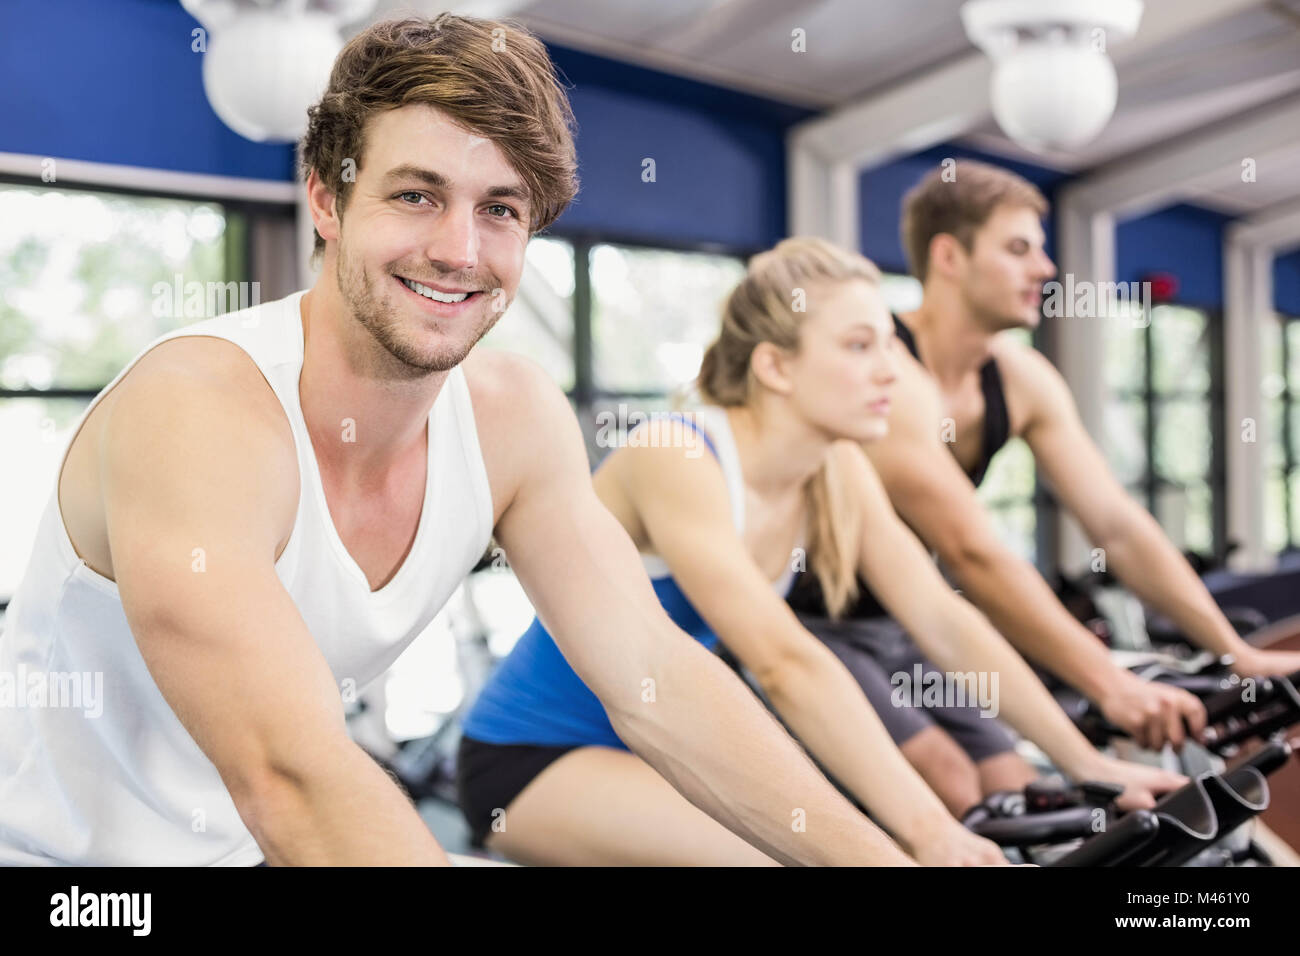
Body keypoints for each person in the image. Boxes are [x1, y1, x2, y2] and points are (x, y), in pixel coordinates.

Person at [0, 15, 916, 868]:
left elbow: (657, 679)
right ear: (327, 198)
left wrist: (899, 860)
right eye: (415, 194)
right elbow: (289, 778)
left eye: (501, 210)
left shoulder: (512, 416)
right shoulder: (196, 410)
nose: (459, 250)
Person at [457, 237, 1181, 866]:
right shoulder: (680, 454)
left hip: (669, 747)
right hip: (535, 761)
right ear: (775, 366)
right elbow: (784, 662)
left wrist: (1086, 763)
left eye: (891, 346)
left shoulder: (836, 472)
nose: (893, 373)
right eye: (860, 345)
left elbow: (944, 619)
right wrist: (926, 833)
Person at [789, 160, 1300, 811]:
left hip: (905, 621)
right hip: (811, 623)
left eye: (1042, 248)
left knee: (1023, 790)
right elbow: (972, 551)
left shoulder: (1021, 378)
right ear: (949, 256)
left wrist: (1232, 651)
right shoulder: (884, 373)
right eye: (1018, 249)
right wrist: (1110, 685)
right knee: (950, 780)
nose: (1046, 270)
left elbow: (1114, 524)